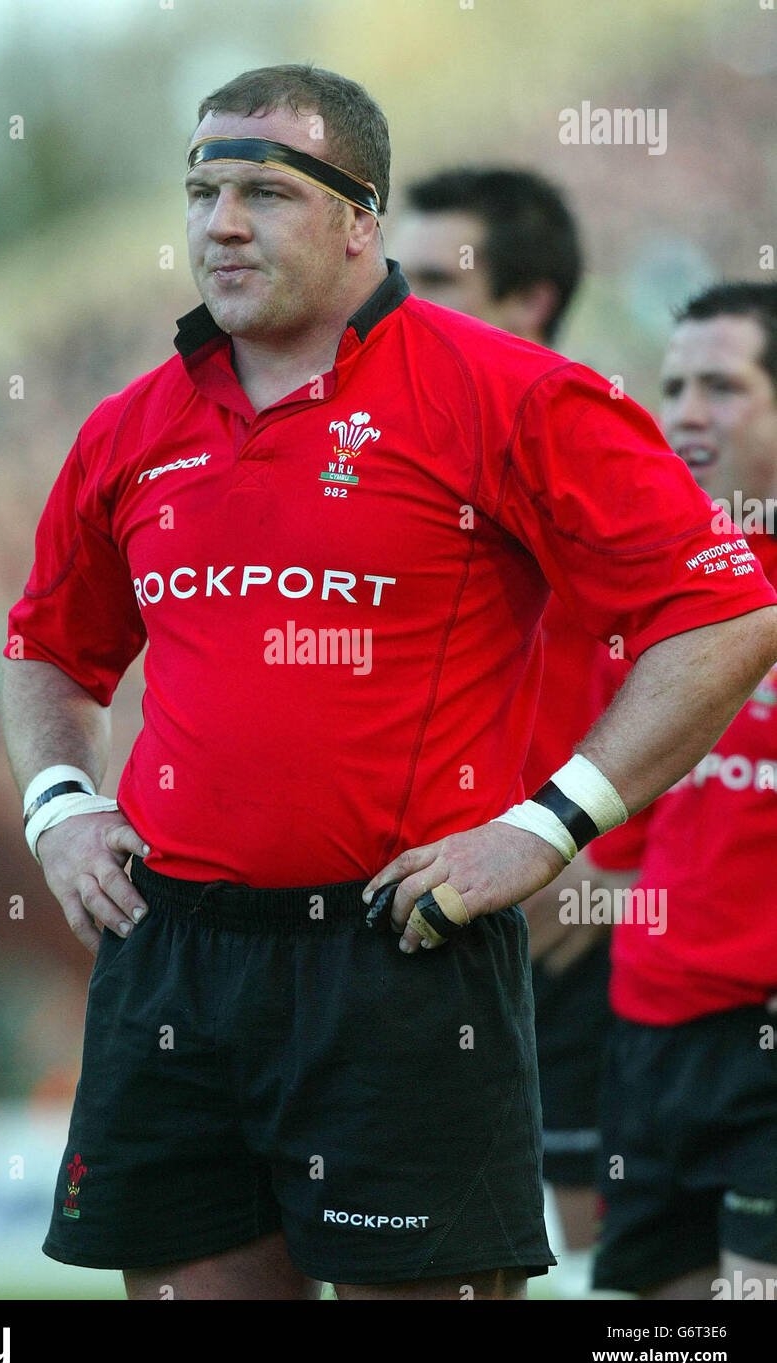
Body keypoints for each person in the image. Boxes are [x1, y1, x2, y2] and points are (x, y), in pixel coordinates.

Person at [2, 65, 777, 1301]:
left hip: (402, 953)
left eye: (265, 189)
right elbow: (48, 644)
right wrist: (57, 800)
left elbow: (724, 608)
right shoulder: (130, 427)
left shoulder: (509, 393)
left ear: (363, 218)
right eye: (203, 191)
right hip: (174, 959)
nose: (223, 222)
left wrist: (548, 826)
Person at [397, 167, 644, 1288]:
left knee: (610, 1250)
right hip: (435, 899)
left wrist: (608, 867)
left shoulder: (593, 444)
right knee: (439, 1243)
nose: (405, 300)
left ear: (533, 297)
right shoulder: (400, 442)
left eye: (441, 275)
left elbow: (716, 655)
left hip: (584, 916)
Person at [593, 282, 777, 1300]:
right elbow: (616, 844)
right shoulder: (656, 589)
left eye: (724, 385)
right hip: (652, 1034)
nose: (687, 413)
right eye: (674, 387)